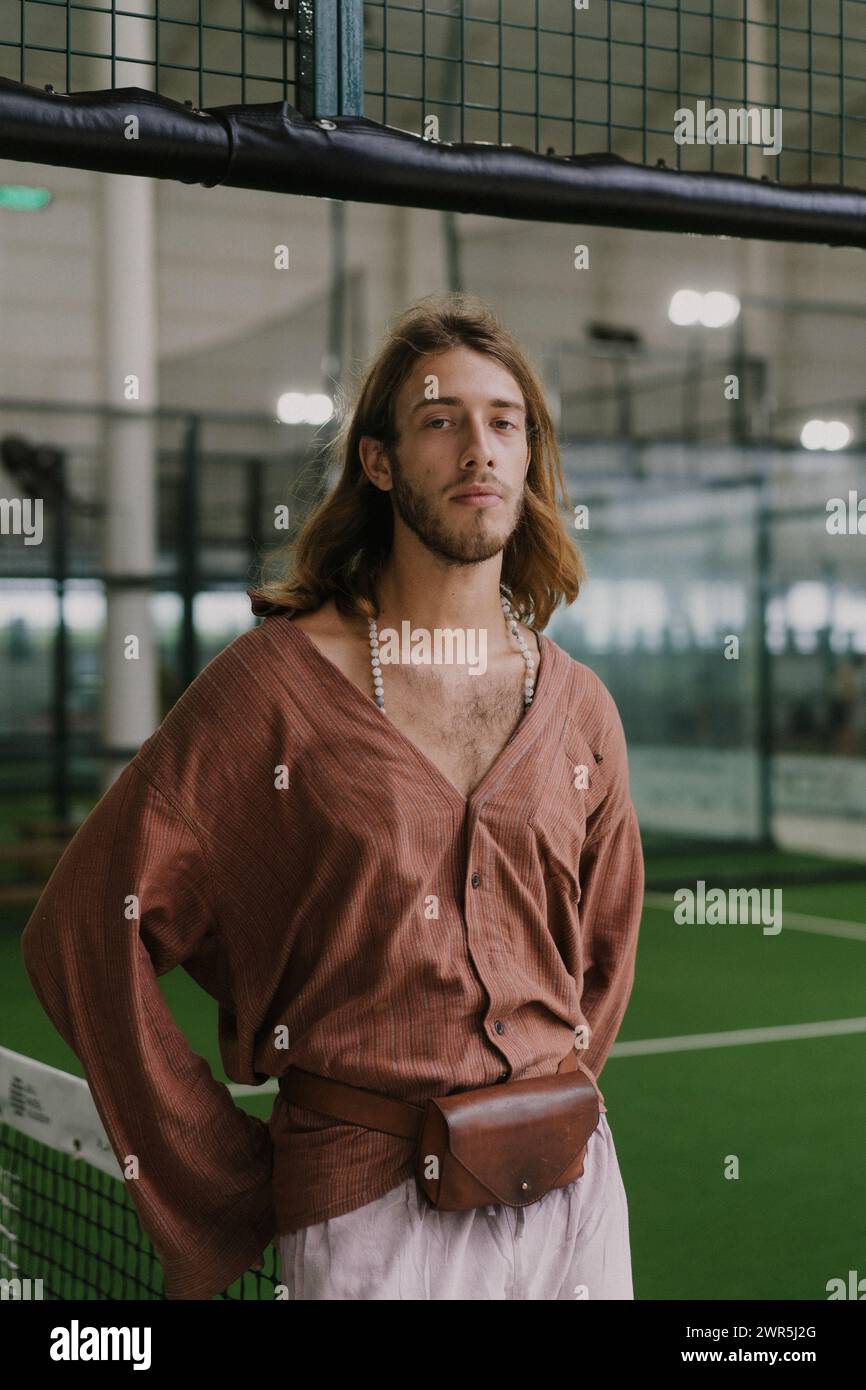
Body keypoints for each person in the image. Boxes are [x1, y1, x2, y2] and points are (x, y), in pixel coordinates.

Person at [21, 292, 644, 1301]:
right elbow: (87, 928)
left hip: (573, 1194)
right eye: (441, 420)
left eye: (503, 422)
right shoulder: (270, 690)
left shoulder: (581, 711)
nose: (477, 449)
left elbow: (604, 955)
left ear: (529, 459)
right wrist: (219, 1168)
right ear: (380, 462)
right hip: (370, 1219)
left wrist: (542, 1104)